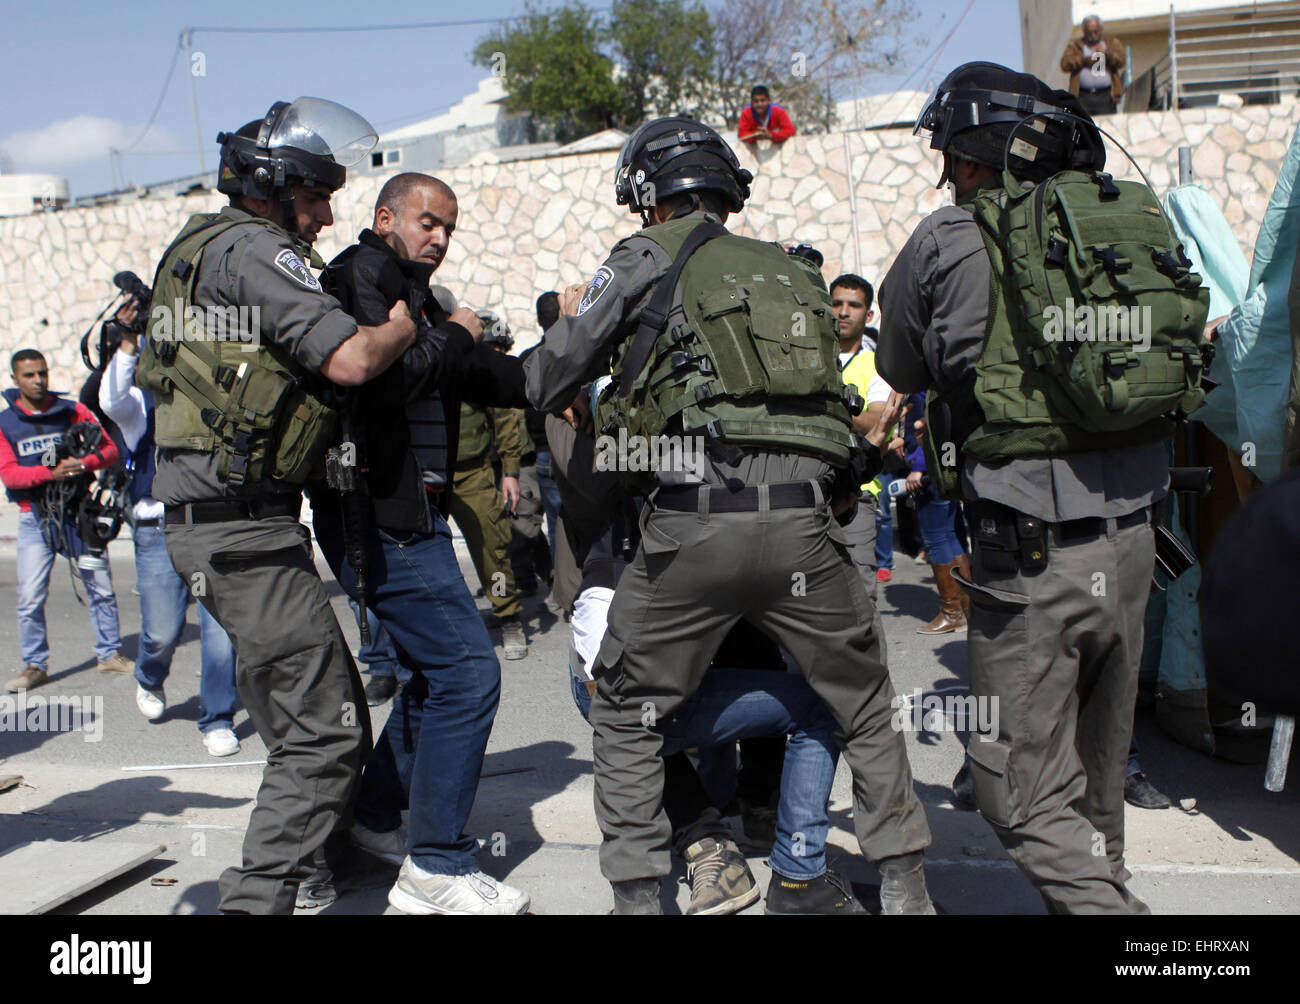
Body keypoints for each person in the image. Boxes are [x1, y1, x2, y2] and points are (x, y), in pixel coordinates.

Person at [524, 116, 934, 915]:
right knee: (863, 703)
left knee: (625, 710)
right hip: (807, 529)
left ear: (648, 193)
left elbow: (550, 373)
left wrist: (563, 345)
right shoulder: (792, 276)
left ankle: (643, 898)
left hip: (695, 524)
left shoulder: (645, 253)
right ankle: (905, 886)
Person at [878, 62, 1171, 913]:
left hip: (1031, 548)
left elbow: (897, 361)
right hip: (1137, 534)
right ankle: (1097, 892)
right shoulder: (1121, 221)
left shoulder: (950, 236)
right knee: (1097, 771)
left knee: (1018, 790)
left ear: (972, 159)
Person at [140, 97, 416, 915]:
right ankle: (258, 899)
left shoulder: (196, 247)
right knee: (323, 732)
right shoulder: (258, 250)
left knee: (328, 712)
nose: (328, 215)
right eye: (317, 195)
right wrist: (406, 326)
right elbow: (352, 360)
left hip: (223, 528)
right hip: (241, 531)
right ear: (273, 184)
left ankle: (322, 865)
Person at [314, 170, 531, 914]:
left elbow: (481, 374)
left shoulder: (415, 292)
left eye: (448, 227)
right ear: (385, 217)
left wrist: (564, 362)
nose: (439, 237)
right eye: (427, 222)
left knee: (436, 679)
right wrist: (459, 330)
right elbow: (387, 379)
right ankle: (435, 865)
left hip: (414, 517)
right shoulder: (362, 275)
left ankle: (376, 817)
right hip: (380, 517)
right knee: (470, 674)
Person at [98, 302, 242, 756]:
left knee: (221, 630)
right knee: (162, 631)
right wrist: (126, 343)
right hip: (158, 529)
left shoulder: (221, 398)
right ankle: (149, 676)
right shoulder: (145, 403)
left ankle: (217, 716)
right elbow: (110, 402)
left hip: (214, 527)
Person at [3, 349, 128, 692]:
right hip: (35, 520)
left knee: (100, 586)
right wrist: (49, 473)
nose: (39, 380)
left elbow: (111, 450)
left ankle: (109, 653)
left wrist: (83, 465)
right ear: (15, 379)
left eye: (42, 373)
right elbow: (11, 476)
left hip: (78, 515)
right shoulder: (5, 423)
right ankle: (35, 665)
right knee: (29, 597)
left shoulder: (72, 410)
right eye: (29, 375)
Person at [831, 273, 888, 596]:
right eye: (837, 303)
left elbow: (879, 422)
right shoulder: (809, 360)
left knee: (859, 597)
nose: (843, 312)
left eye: (853, 305)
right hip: (808, 488)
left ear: (868, 315)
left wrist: (832, 408)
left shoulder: (877, 364)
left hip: (858, 490)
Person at [1061, 15, 1125, 116]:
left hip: (1106, 96)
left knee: (1106, 126)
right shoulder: (1076, 46)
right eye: (1089, 32)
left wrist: (1106, 54)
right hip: (1083, 96)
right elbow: (1065, 64)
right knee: (1083, 127)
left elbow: (1121, 61)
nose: (1093, 35)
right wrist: (1085, 60)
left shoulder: (1111, 43)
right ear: (1084, 32)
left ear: (1101, 30)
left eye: (1096, 31)